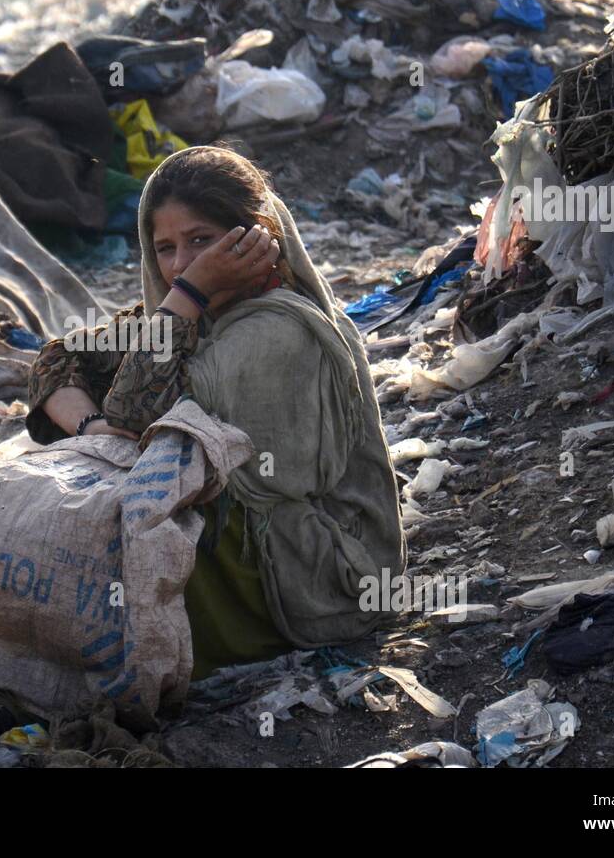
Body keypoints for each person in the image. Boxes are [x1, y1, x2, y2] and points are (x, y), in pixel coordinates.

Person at [27, 145, 404, 679]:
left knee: (133, 517)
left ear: (253, 237)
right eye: (165, 248)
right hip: (261, 540)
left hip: (316, 567)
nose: (181, 264)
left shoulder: (275, 329)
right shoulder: (194, 313)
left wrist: (186, 295)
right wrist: (92, 426)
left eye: (201, 241)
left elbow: (137, 408)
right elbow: (60, 359)